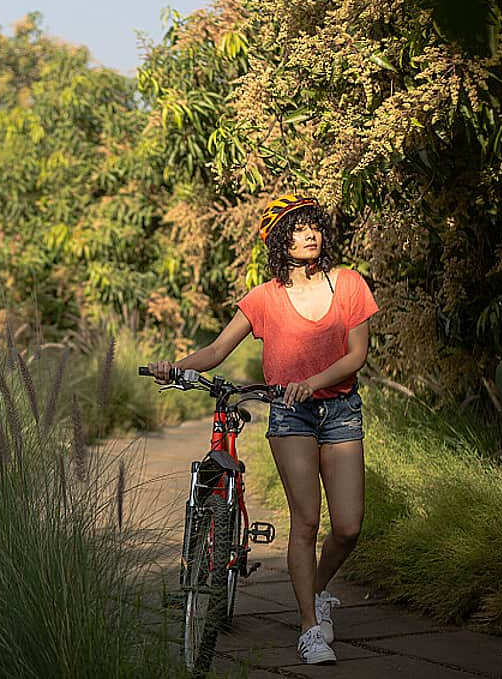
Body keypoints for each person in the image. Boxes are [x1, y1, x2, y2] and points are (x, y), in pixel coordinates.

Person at [147, 194, 378, 666]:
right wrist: (174, 368)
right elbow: (216, 351)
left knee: (350, 526)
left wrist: (310, 382)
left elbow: (356, 356)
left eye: (315, 226)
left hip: (340, 410)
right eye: (298, 228)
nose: (310, 234)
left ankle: (316, 592)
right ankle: (309, 628)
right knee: (307, 521)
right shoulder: (265, 297)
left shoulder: (349, 284)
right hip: (289, 416)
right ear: (279, 240)